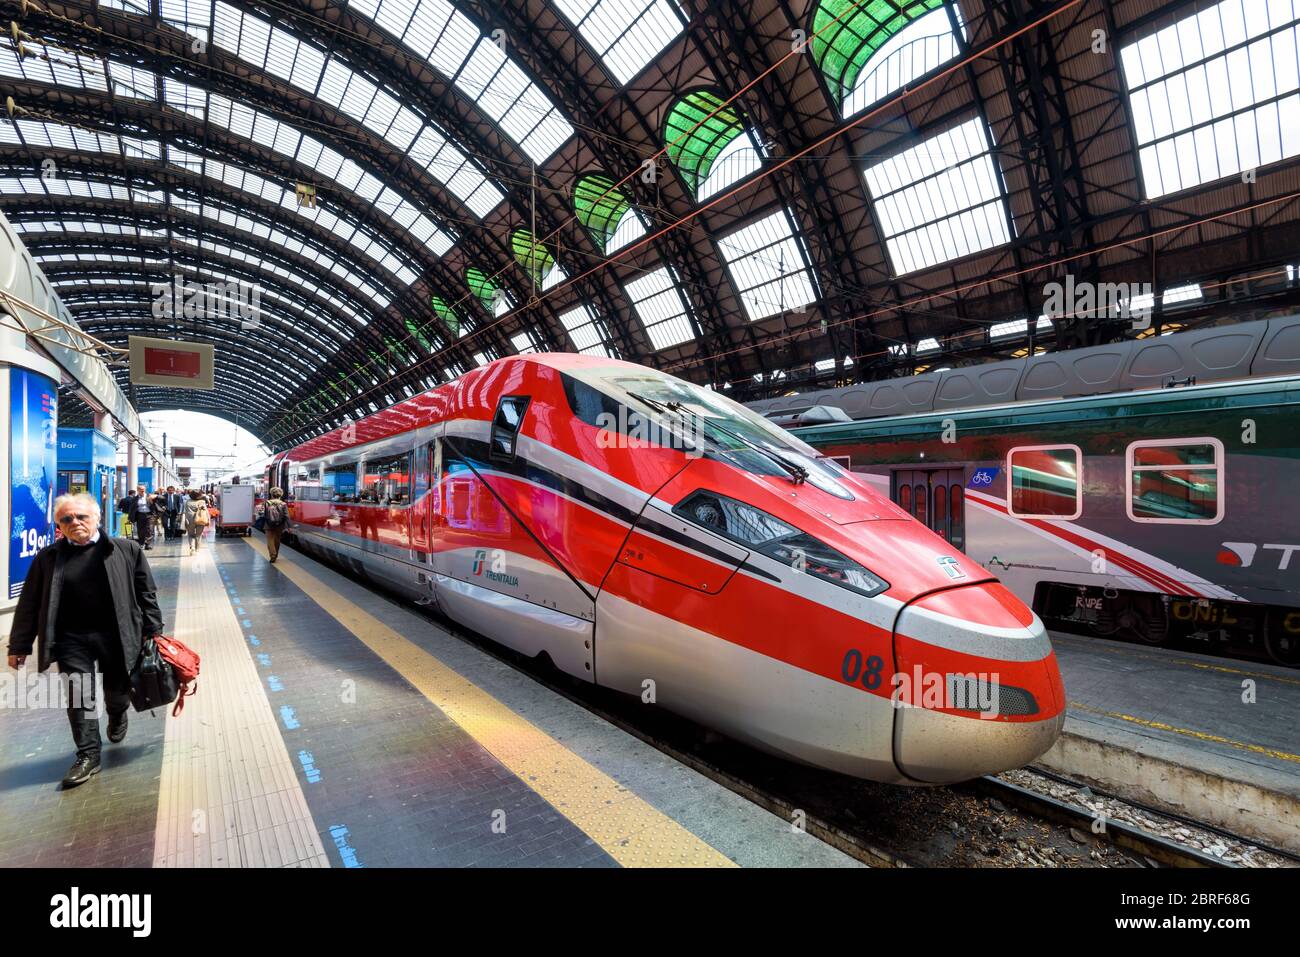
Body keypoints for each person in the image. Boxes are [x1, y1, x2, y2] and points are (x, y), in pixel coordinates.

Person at [5, 493, 164, 788]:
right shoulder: (48, 558)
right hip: (70, 639)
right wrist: (19, 645)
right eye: (66, 519)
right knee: (80, 696)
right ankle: (88, 755)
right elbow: (29, 603)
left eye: (81, 517)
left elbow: (146, 593)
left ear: (97, 518)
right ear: (59, 525)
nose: (74, 522)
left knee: (117, 690)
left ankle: (118, 714)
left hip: (117, 634)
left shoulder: (126, 550)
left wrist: (154, 630)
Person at [117, 484, 159, 550]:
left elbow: (163, 498)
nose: (142, 491)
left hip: (149, 515)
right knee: (140, 530)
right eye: (141, 490)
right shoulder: (135, 498)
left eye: (143, 489)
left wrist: (157, 495)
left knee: (149, 529)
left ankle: (148, 544)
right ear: (138, 490)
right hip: (140, 515)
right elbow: (132, 508)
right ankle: (141, 543)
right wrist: (130, 518)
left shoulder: (150, 496)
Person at [256, 487, 290, 563]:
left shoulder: (267, 503)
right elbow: (287, 516)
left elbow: (262, 514)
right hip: (280, 525)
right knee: (277, 540)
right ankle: (276, 554)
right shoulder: (283, 504)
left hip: (268, 524)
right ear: (280, 495)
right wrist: (289, 527)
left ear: (271, 494)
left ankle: (273, 555)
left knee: (270, 540)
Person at [182, 489, 209, 555]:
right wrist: (208, 520)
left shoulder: (187, 502)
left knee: (190, 535)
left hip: (190, 521)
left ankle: (192, 547)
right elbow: (205, 512)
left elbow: (186, 512)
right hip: (200, 520)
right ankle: (197, 549)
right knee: (198, 535)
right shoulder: (202, 502)